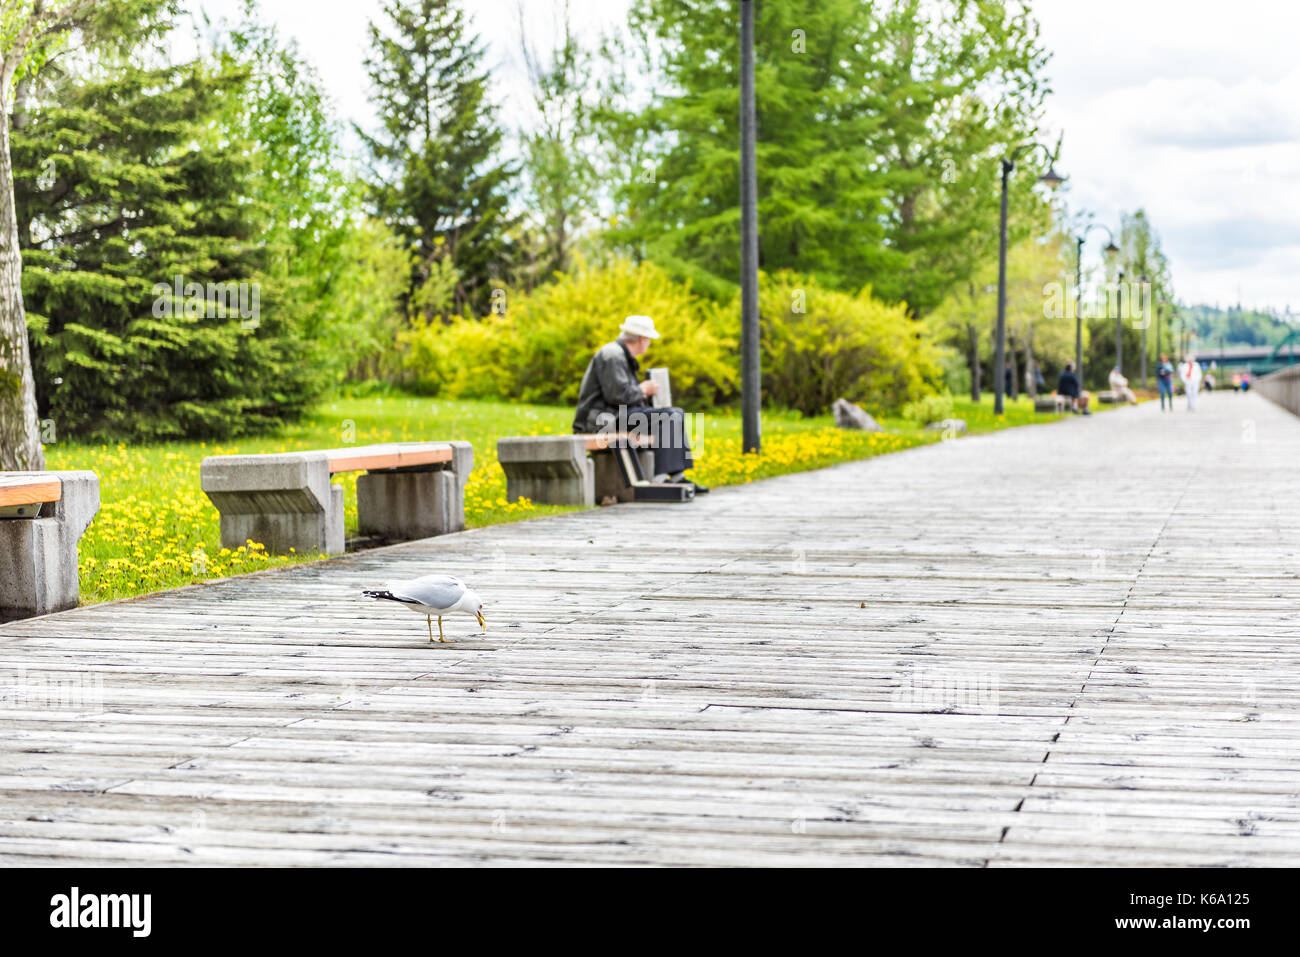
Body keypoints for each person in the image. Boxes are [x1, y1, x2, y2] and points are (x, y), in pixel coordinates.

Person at [573, 315, 705, 490]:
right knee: (670, 416)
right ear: (642, 340)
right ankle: (660, 479)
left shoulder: (620, 355)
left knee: (674, 414)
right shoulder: (613, 355)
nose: (649, 343)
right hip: (601, 421)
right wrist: (643, 390)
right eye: (649, 339)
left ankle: (676, 477)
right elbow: (617, 396)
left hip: (613, 416)